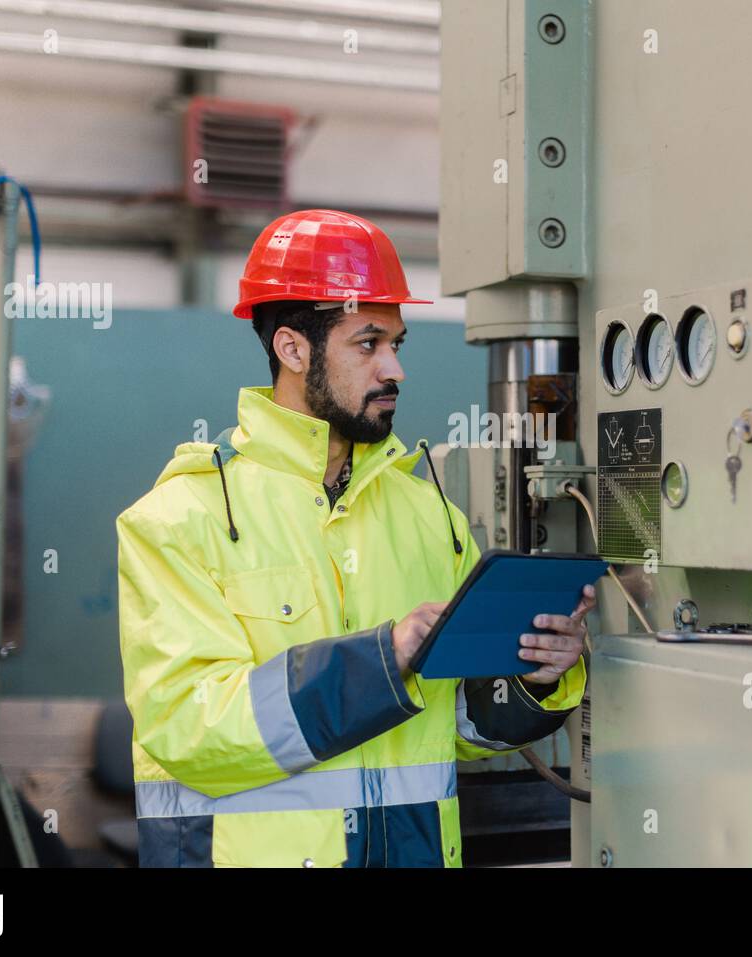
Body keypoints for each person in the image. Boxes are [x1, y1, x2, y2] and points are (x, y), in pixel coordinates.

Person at [116, 209, 594, 867]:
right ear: (293, 349)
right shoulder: (179, 518)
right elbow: (190, 728)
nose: (393, 368)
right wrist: (382, 657)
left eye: (397, 344)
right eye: (368, 344)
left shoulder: (428, 513)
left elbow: (453, 728)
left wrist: (536, 678)